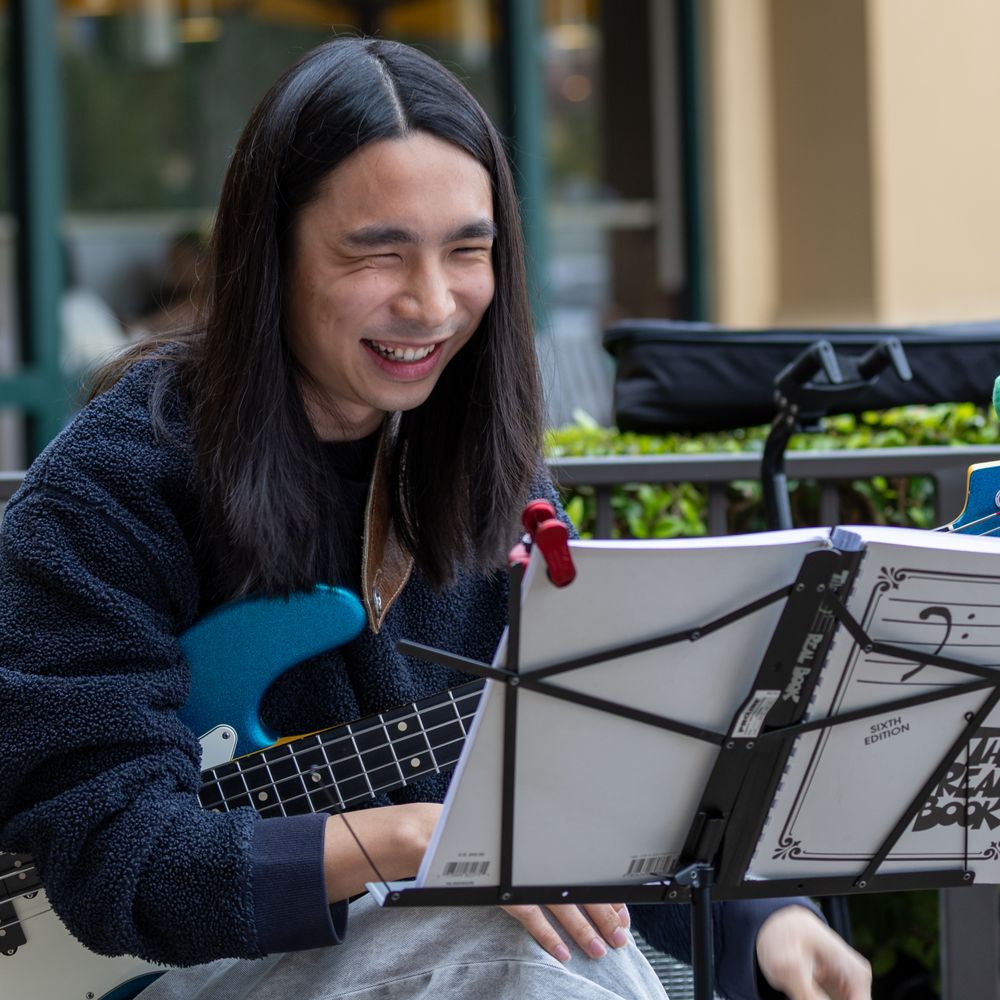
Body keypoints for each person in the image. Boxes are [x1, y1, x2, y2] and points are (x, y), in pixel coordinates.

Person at [0, 37, 871, 1000]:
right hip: (149, 974)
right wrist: (413, 838)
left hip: (412, 949)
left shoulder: (489, 473)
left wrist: (761, 924)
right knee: (504, 941)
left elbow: (563, 773)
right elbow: (107, 850)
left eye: (467, 251)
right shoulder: (114, 484)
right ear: (270, 254)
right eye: (377, 253)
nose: (431, 302)